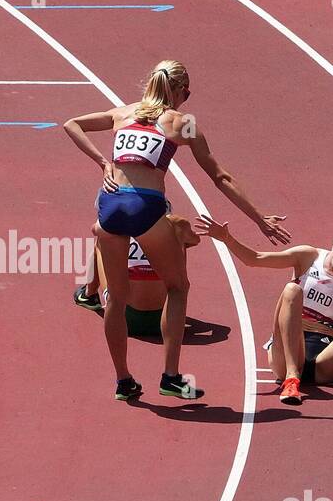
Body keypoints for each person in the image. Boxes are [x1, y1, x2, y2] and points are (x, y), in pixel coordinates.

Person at [63, 59, 289, 401]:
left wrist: (103, 162)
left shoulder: (123, 113)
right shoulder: (182, 124)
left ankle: (124, 380)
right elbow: (220, 177)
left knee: (117, 297)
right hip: (146, 204)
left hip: (109, 204)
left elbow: (72, 124)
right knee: (178, 286)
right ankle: (170, 376)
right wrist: (259, 219)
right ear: (182, 92)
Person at [196, 214, 333, 409]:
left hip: (323, 360)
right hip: (286, 355)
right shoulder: (308, 256)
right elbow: (254, 259)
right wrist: (226, 238)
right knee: (292, 289)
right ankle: (292, 380)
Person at [73, 214, 201, 339]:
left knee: (101, 239)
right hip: (168, 320)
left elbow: (95, 228)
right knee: (179, 241)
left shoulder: (118, 221)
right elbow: (195, 240)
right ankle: (177, 296)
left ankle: (89, 294)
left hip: (124, 318)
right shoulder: (176, 223)